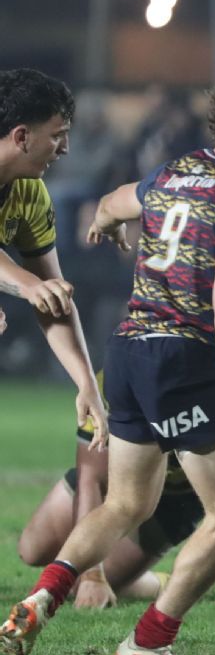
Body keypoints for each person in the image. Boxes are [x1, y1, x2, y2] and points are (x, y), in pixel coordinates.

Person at [1, 68, 215, 655]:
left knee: (127, 500)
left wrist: (109, 223)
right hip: (184, 360)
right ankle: (150, 641)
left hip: (128, 353)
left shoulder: (172, 172)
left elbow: (112, 201)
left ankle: (40, 599)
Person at [17, 375, 215, 611]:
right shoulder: (111, 378)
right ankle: (89, 565)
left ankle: (169, 584)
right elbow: (91, 478)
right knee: (31, 550)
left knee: (88, 583)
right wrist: (91, 575)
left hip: (173, 498)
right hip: (116, 482)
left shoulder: (203, 380)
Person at [0, 68, 108, 450]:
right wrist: (29, 285)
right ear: (22, 137)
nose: (65, 149)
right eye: (58, 136)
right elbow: (35, 286)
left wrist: (86, 383)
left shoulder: (31, 195)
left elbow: (54, 300)